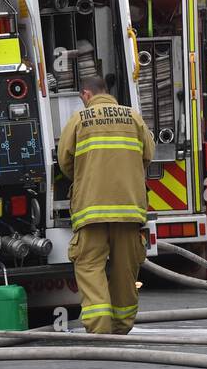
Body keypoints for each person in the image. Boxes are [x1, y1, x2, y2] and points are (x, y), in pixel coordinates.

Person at [57, 71, 153, 333]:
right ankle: (122, 326)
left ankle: (99, 328)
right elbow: (148, 155)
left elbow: (65, 161)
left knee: (89, 266)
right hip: (129, 210)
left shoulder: (79, 119)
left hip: (91, 210)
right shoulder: (132, 116)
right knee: (125, 271)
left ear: (86, 95)